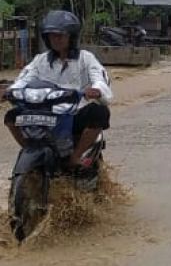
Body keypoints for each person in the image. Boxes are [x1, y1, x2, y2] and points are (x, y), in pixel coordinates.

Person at [4, 10, 113, 168]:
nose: (55, 39)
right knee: (11, 117)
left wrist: (96, 90)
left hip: (73, 114)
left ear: (72, 36)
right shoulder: (40, 60)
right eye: (51, 35)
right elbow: (23, 79)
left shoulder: (86, 58)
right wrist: (9, 91)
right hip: (43, 114)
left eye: (60, 35)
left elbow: (100, 78)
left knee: (100, 113)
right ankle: (30, 150)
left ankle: (75, 157)